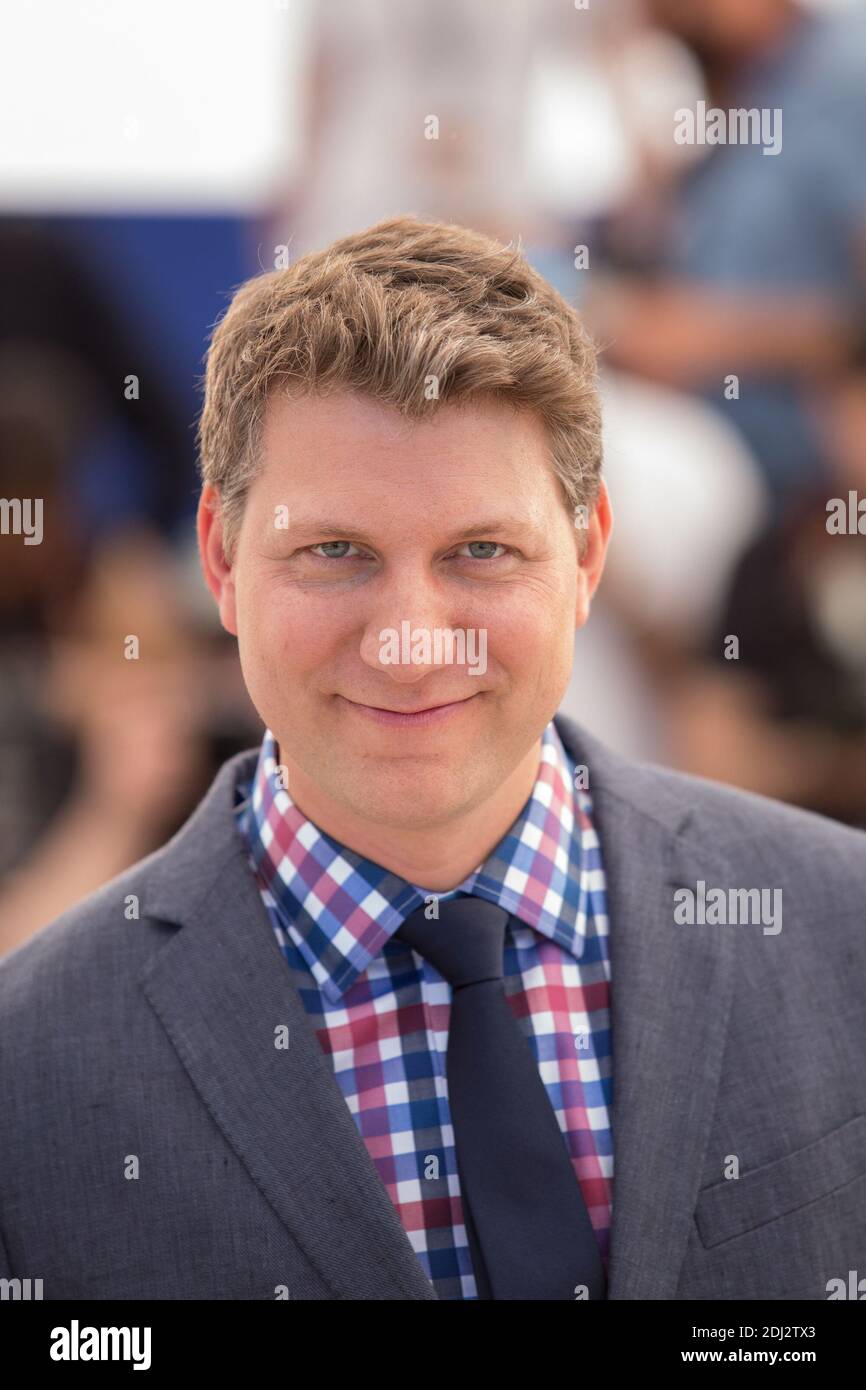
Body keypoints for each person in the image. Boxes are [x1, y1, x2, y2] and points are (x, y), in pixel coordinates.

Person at [1, 216, 864, 1302]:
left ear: (588, 552)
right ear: (220, 560)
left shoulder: (843, 934)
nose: (409, 643)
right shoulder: (26, 1076)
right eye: (334, 553)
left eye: (479, 551)